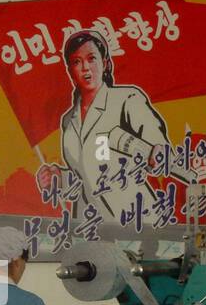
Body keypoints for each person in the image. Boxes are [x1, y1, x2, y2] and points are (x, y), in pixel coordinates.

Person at [43, 29, 191, 226]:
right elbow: (85, 178)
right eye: (77, 62)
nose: (85, 68)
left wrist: (156, 154)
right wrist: (59, 178)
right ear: (70, 70)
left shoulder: (127, 99)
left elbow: (160, 151)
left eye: (91, 58)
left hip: (135, 220)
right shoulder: (69, 120)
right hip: (92, 224)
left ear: (104, 63)